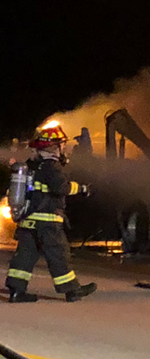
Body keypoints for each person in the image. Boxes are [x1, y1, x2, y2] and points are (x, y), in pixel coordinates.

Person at [5, 125, 97, 303]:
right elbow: (60, 188)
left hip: (27, 220)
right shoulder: (51, 166)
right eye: (61, 145)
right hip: (47, 221)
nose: (63, 148)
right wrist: (82, 188)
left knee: (25, 255)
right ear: (55, 146)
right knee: (58, 254)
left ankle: (17, 290)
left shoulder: (32, 165)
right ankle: (72, 290)